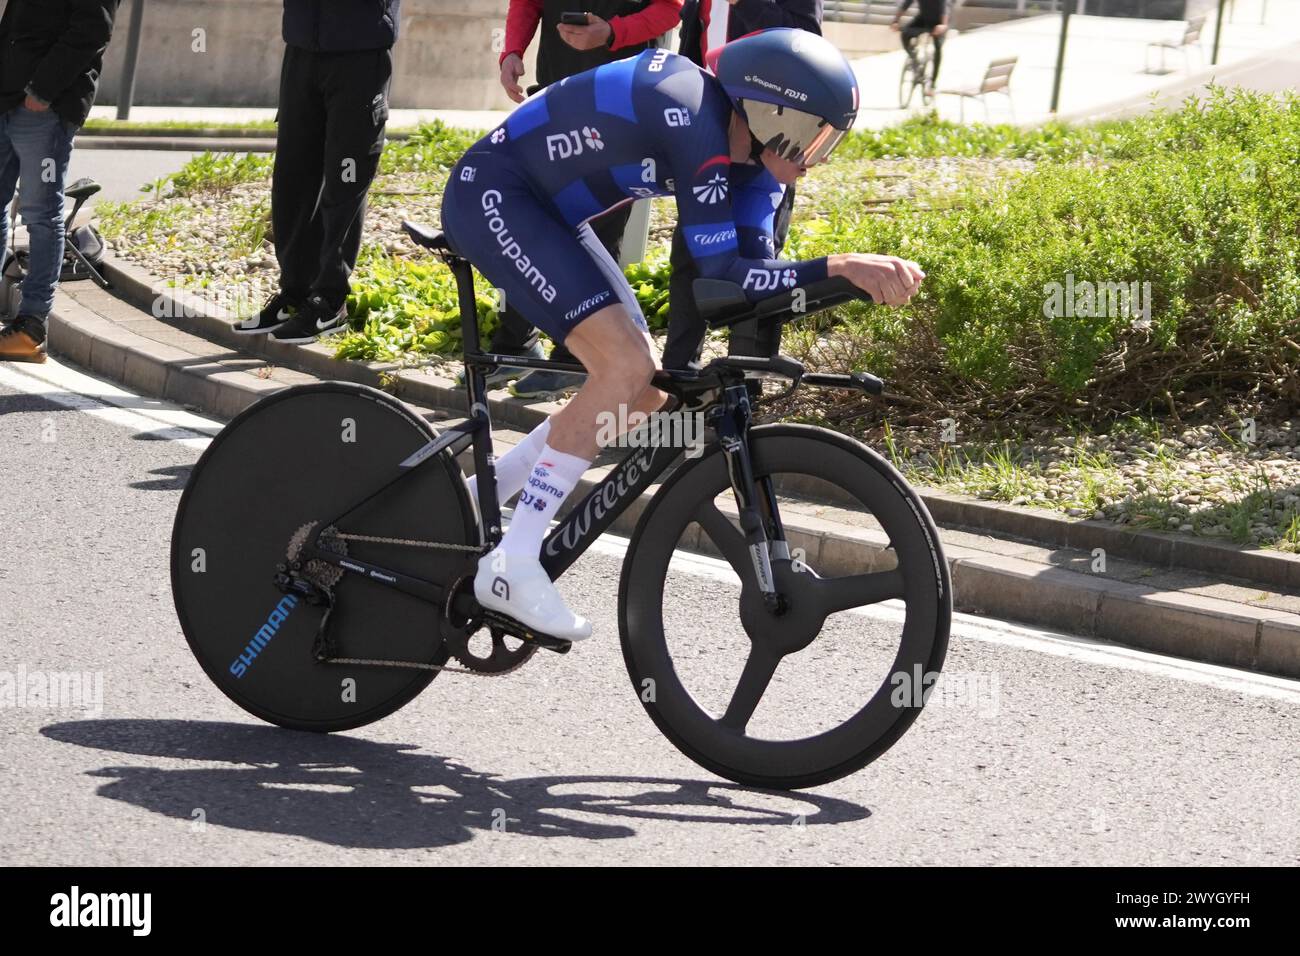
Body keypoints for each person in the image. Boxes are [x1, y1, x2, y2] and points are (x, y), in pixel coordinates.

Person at [440, 28, 924, 642]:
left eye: (828, 143)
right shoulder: (691, 109)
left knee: (640, 392)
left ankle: (478, 496)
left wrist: (841, 279)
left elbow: (745, 283)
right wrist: (838, 266)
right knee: (622, 369)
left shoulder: (759, 169)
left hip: (548, 213)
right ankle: (512, 562)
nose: (811, 157)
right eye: (811, 134)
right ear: (768, 107)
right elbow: (718, 275)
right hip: (494, 194)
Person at [488, 0, 682, 399]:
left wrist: (612, 32)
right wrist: (512, 51)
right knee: (532, 212)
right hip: (557, 91)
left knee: (596, 229)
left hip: (624, 103)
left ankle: (578, 358)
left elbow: (670, 10)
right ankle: (515, 341)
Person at [666, 0, 824, 373]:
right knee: (689, 260)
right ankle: (679, 380)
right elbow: (692, 51)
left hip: (768, 141)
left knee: (757, 266)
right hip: (709, 136)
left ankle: (744, 393)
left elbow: (804, 43)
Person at [233, 0, 401, 345]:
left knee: (346, 180)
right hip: (302, 47)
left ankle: (329, 299)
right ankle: (296, 292)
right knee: (291, 180)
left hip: (360, 49)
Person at [0, 0, 121, 364]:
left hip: (44, 107)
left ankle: (31, 327)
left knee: (40, 215)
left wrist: (42, 92)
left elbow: (92, 30)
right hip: (6, 96)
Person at [892, 0, 950, 92]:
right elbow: (905, 5)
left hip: (939, 21)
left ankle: (932, 85)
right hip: (923, 19)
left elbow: (944, 9)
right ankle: (914, 58)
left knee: (937, 49)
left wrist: (943, 25)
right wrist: (896, 20)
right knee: (905, 34)